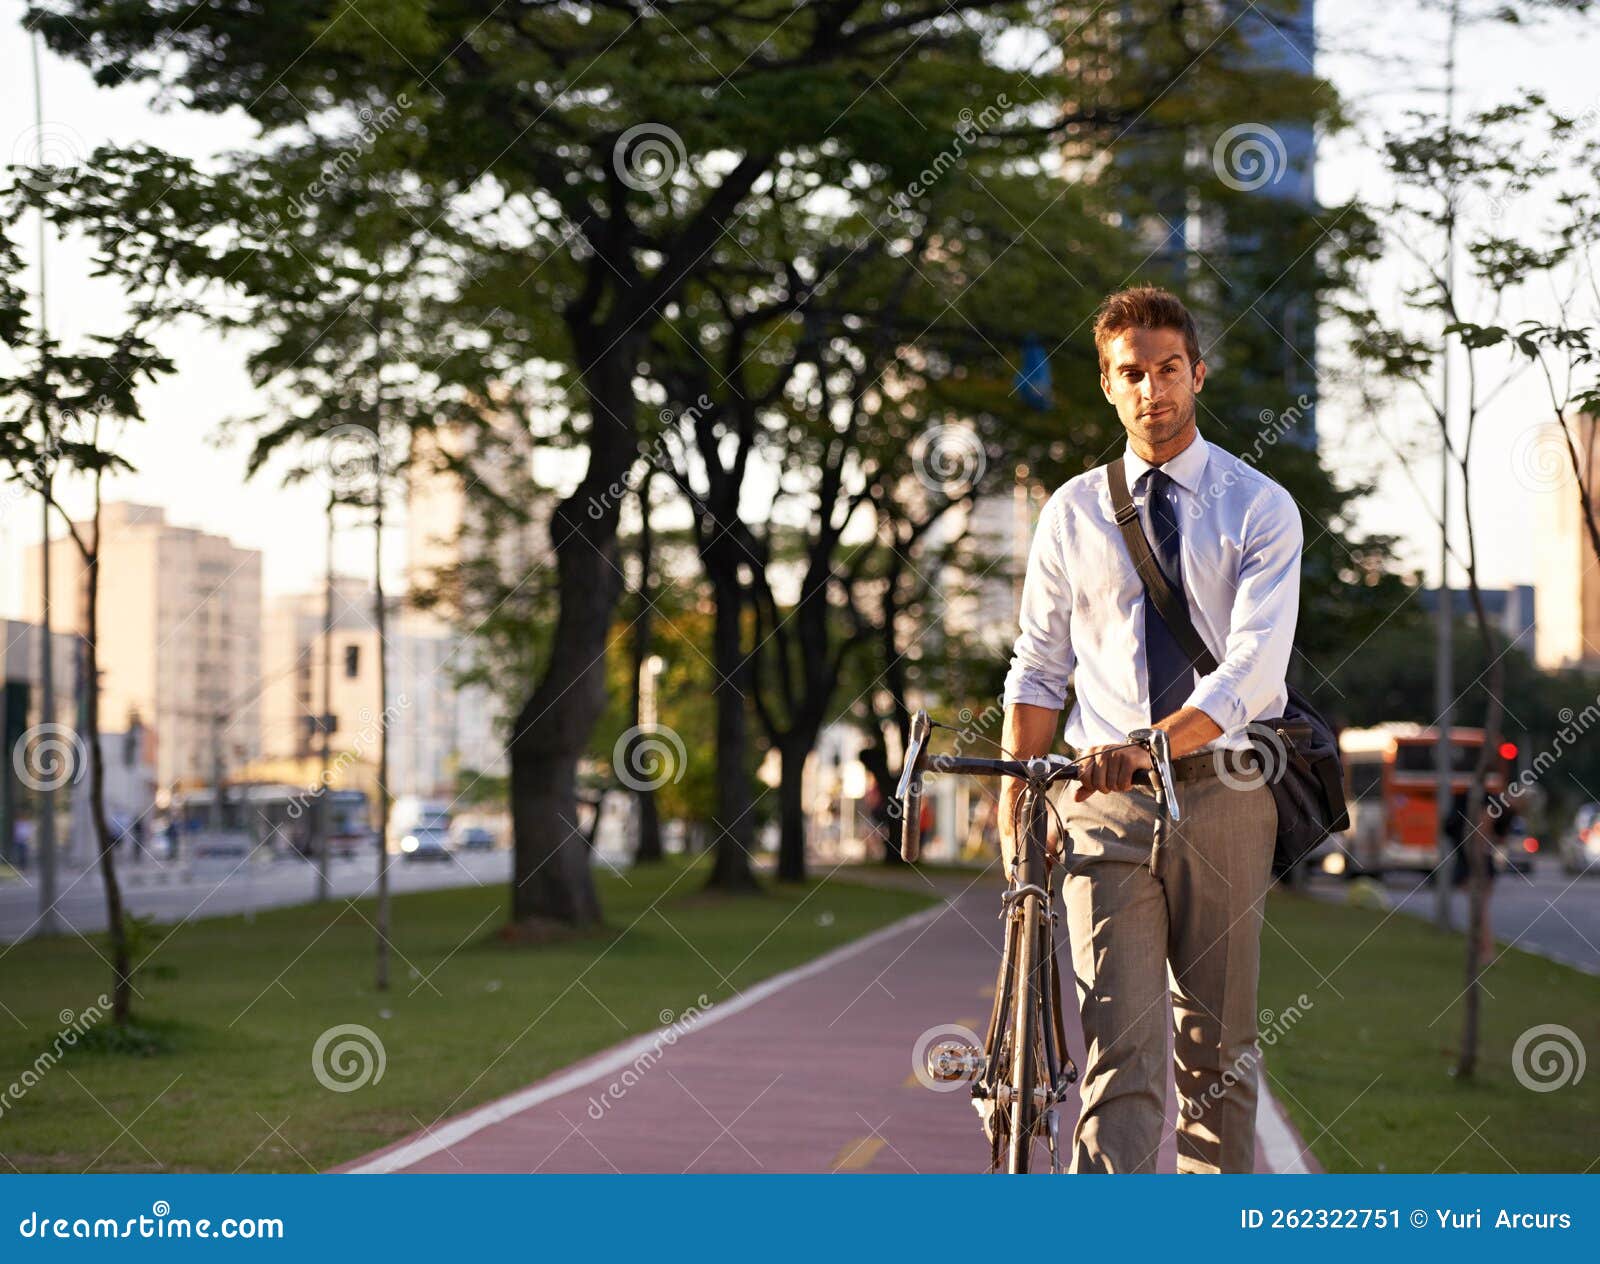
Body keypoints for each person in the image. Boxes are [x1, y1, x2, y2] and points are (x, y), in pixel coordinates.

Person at [999, 285, 1302, 1174]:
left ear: (1197, 374)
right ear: (1107, 385)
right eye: (1131, 374)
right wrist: (1020, 793)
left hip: (1227, 792)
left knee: (1217, 1054)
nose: (1152, 390)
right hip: (1103, 803)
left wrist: (1156, 742)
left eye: (1168, 369)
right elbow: (1039, 665)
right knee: (1119, 1051)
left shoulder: (1260, 507)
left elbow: (1255, 668)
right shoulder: (1070, 512)